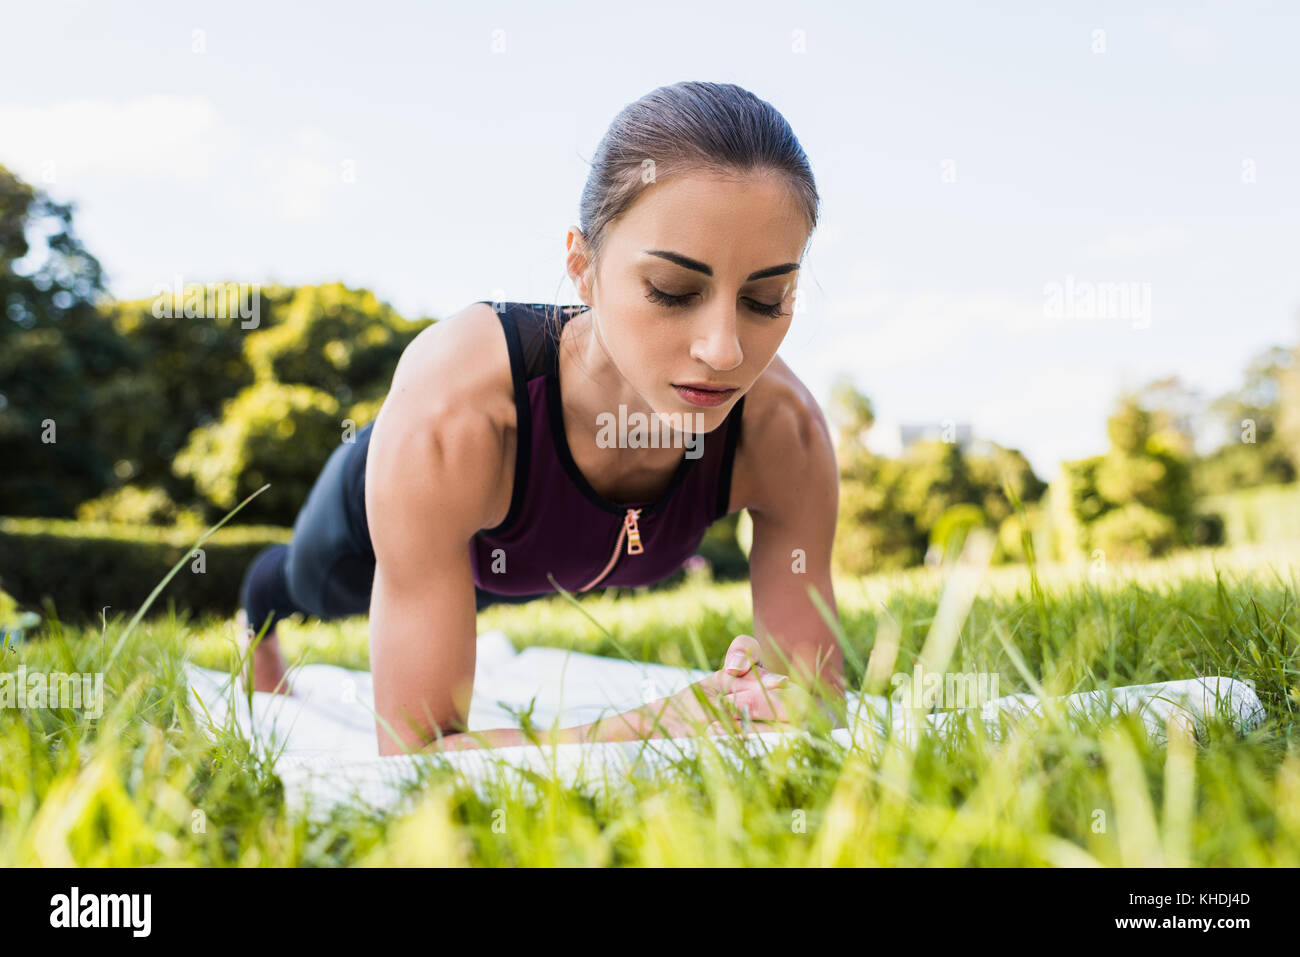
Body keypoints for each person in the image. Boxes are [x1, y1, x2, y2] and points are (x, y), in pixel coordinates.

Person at [236, 80, 846, 755]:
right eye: (673, 291)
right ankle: (257, 600)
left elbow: (814, 704)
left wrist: (763, 698)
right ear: (582, 268)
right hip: (381, 524)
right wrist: (653, 724)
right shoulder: (455, 411)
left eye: (765, 299)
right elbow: (415, 752)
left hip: (522, 558)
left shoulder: (783, 431)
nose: (725, 350)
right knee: (306, 585)